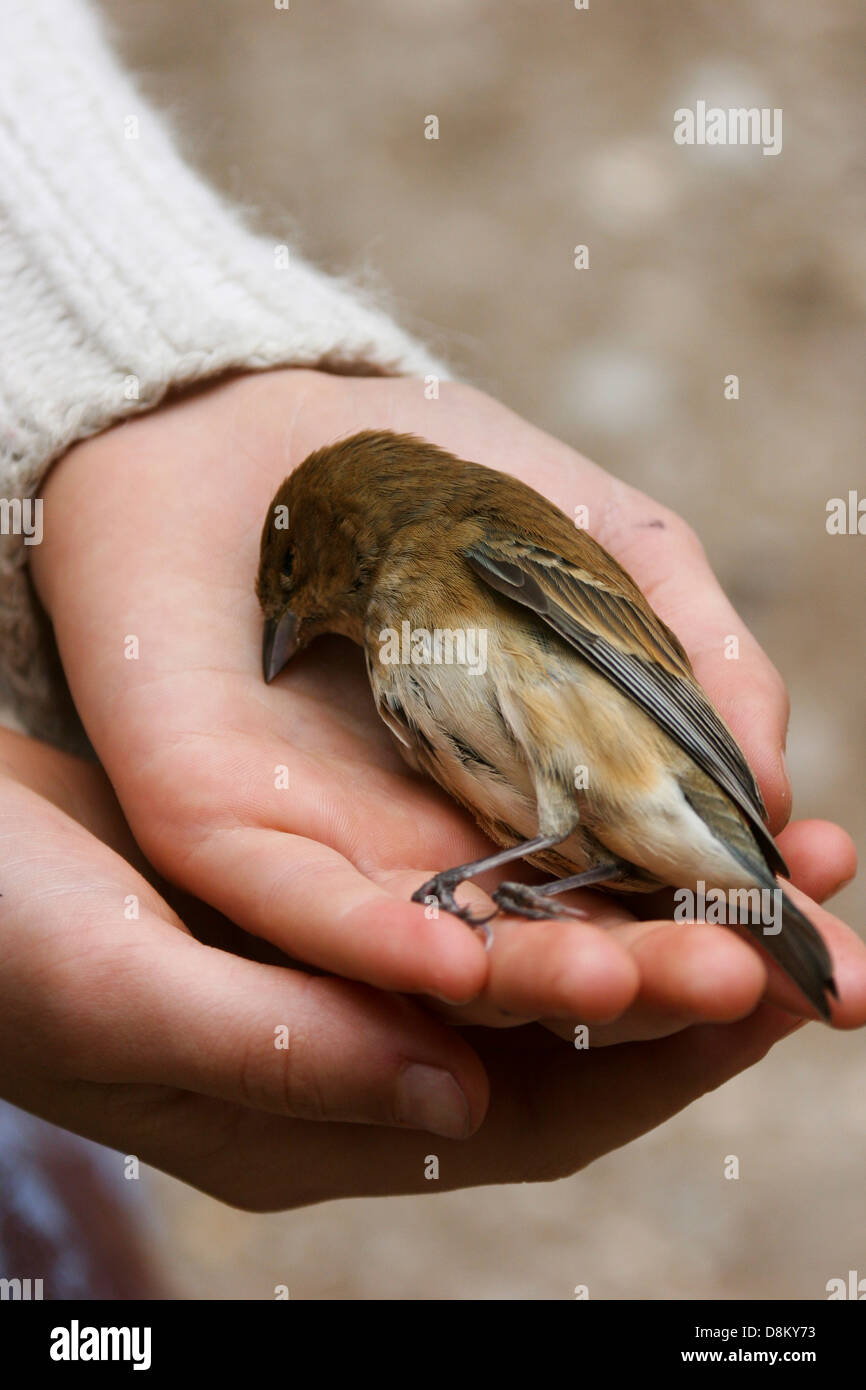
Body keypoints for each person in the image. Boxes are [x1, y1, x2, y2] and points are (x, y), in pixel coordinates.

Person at [0, 1, 863, 1216]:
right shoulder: (395, 606)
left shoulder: (465, 542)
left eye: (289, 597)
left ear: (339, 546)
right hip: (591, 827)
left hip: (639, 771)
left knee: (600, 840)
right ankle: (565, 875)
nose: (287, 641)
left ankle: (623, 886)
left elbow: (640, 688)